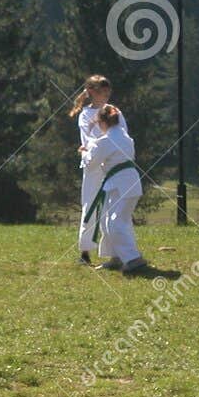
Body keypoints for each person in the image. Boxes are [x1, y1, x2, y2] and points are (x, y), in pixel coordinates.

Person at [80, 106, 145, 274]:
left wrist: (85, 153)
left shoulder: (106, 140)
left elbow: (92, 162)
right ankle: (116, 257)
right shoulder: (124, 137)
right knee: (106, 220)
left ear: (102, 122)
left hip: (121, 184)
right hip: (122, 183)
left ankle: (132, 258)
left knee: (116, 223)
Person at [70, 76, 123, 266]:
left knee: (113, 206)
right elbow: (88, 139)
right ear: (92, 92)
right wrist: (92, 150)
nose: (106, 96)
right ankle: (85, 251)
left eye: (108, 93)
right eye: (103, 93)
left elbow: (120, 134)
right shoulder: (84, 115)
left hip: (113, 164)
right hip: (93, 165)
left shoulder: (115, 111)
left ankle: (116, 253)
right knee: (90, 205)